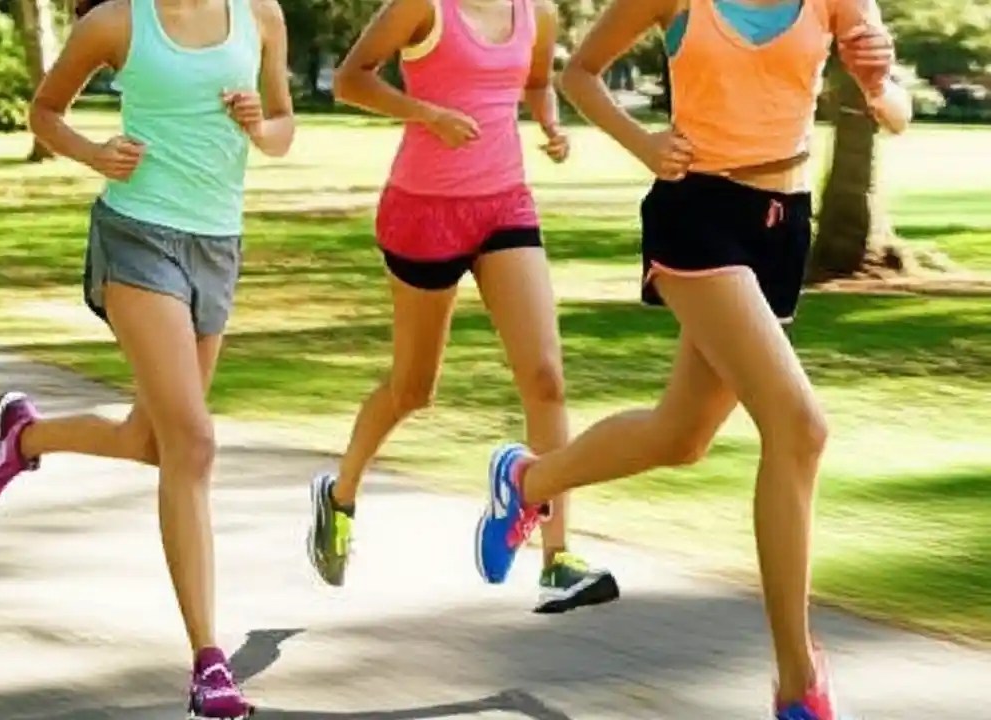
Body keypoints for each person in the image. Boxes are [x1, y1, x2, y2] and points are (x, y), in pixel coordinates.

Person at [473, 0, 909, 717]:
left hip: (782, 226)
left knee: (682, 435)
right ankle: (799, 682)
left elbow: (894, 113)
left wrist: (878, 81)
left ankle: (526, 479)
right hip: (698, 216)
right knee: (800, 427)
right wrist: (643, 143)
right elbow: (580, 72)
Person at [0, 0, 294, 716]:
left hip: (219, 245)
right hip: (139, 237)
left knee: (155, 442)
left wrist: (258, 127)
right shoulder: (118, 22)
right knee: (196, 443)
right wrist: (93, 153)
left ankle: (26, 436)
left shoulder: (261, 16)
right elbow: (45, 110)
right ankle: (210, 663)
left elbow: (284, 128)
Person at [305, 0, 620, 615]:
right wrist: (426, 113)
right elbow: (351, 78)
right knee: (413, 389)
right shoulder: (423, 7)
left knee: (546, 377)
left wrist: (549, 124)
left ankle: (558, 559)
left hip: (504, 203)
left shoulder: (537, 12)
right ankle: (339, 495)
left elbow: (534, 80)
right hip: (423, 212)